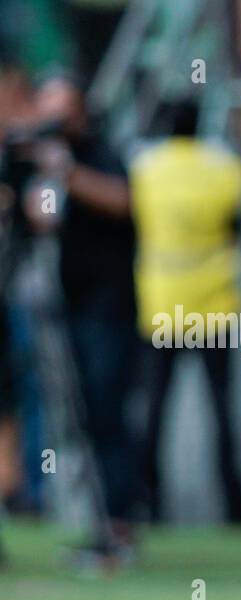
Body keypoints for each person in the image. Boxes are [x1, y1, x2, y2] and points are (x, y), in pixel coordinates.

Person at [25, 75, 137, 564]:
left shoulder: (102, 152)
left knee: (109, 412)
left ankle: (120, 526)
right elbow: (42, 217)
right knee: (84, 415)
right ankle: (96, 523)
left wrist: (67, 172)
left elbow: (124, 201)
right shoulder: (47, 165)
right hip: (69, 304)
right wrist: (44, 174)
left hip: (110, 306)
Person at [129, 97, 241, 523]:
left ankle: (150, 504)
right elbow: (240, 230)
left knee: (155, 409)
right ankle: (235, 505)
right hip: (217, 301)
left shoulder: (144, 168)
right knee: (222, 410)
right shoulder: (225, 168)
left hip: (162, 302)